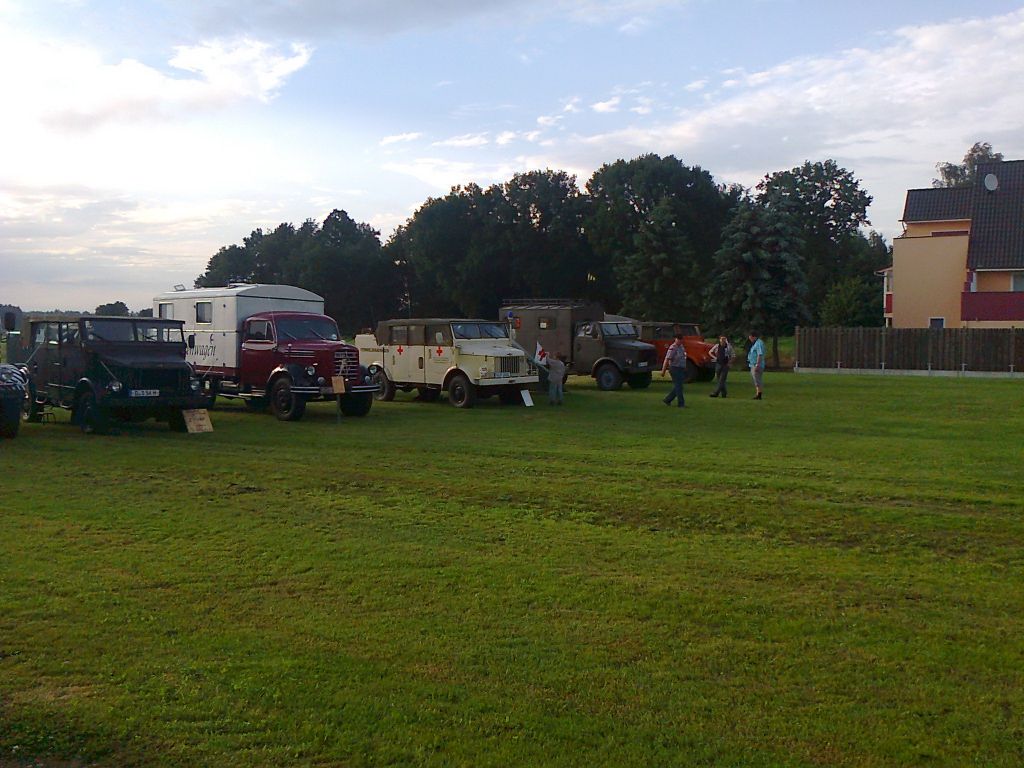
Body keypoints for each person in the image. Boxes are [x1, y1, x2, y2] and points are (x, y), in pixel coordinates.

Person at [660, 333, 687, 408]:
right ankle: (681, 404)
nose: (680, 341)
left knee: (679, 387)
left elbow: (683, 357)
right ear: (675, 339)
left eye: (681, 339)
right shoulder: (673, 348)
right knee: (679, 386)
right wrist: (663, 371)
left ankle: (667, 400)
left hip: (680, 368)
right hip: (674, 368)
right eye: (678, 339)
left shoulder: (681, 347)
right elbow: (667, 359)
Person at [747, 331, 765, 400]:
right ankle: (758, 393)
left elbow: (759, 354)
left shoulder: (758, 343)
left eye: (751, 338)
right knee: (756, 380)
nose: (750, 340)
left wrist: (757, 364)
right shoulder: (755, 343)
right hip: (752, 364)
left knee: (757, 379)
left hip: (756, 364)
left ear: (754, 337)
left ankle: (759, 394)